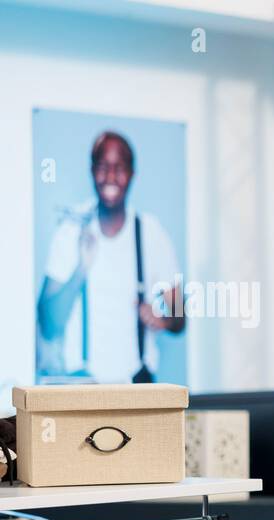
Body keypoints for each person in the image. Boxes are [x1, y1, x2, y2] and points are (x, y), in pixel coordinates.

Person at [37, 131, 183, 383]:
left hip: (137, 388)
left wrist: (164, 318)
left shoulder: (151, 232)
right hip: (80, 386)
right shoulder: (71, 229)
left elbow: (180, 317)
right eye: (103, 167)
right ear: (92, 171)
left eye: (119, 167)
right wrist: (81, 269)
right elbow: (47, 321)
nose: (111, 177)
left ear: (132, 173)